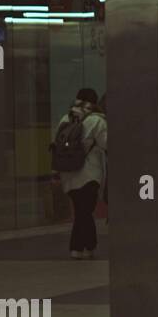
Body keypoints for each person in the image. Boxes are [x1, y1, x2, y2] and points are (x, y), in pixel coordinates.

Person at [57, 88, 108, 260]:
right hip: (89, 173)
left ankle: (82, 247)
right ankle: (83, 247)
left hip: (68, 173)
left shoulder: (66, 118)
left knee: (81, 210)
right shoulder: (96, 120)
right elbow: (106, 144)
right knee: (85, 211)